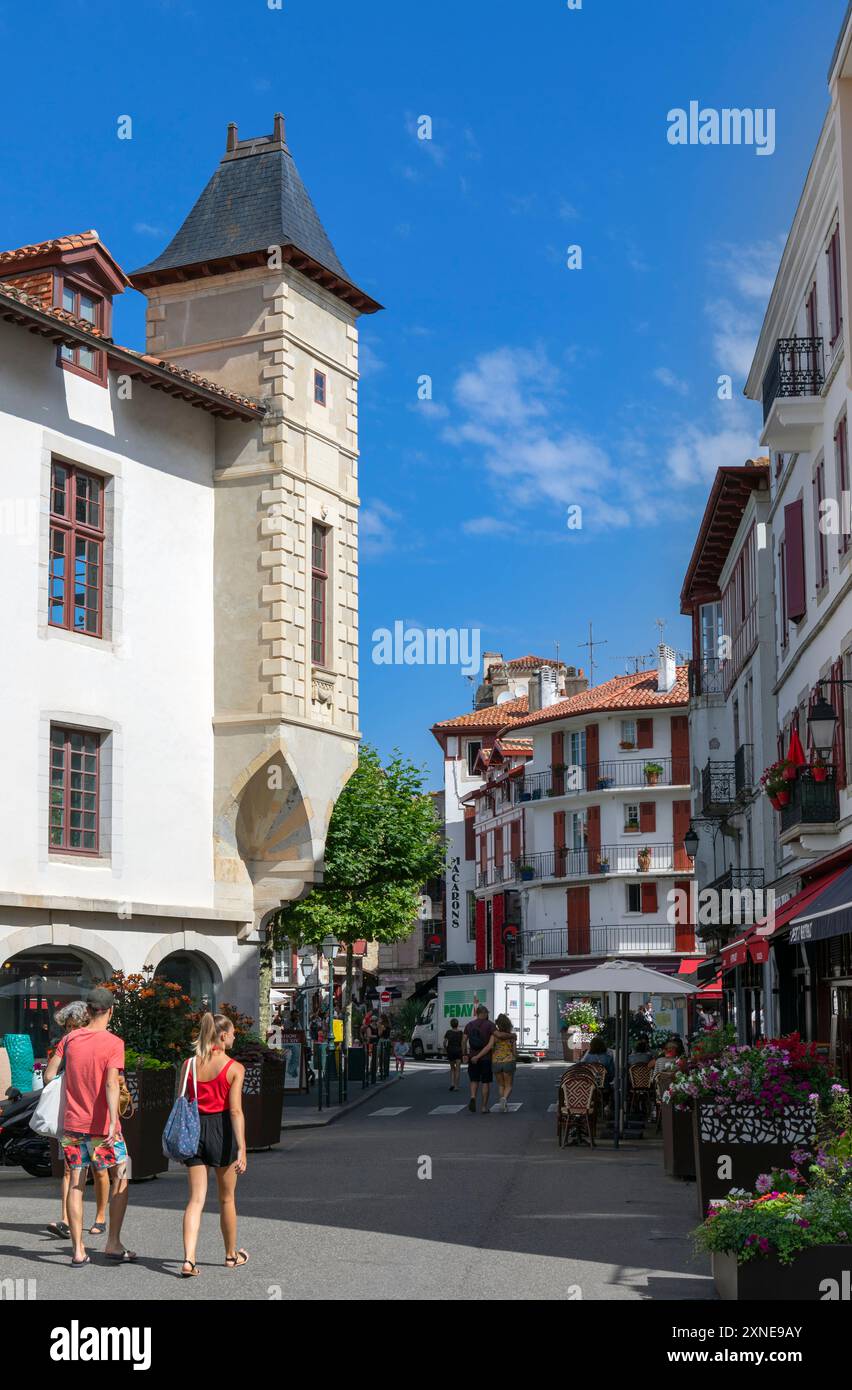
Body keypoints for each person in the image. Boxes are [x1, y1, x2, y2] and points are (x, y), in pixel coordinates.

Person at [42, 986, 132, 1267]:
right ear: (110, 1011)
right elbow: (110, 1084)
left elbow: (48, 1075)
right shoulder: (113, 1043)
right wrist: (114, 1122)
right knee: (121, 1174)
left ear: (88, 1010)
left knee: (76, 1183)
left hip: (72, 1126)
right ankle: (113, 1243)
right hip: (101, 1128)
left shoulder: (69, 1039)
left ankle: (78, 1250)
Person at [179, 1012, 247, 1278]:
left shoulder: (189, 1065)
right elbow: (235, 1112)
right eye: (232, 1032)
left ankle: (188, 1259)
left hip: (195, 1129)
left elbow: (183, 1100)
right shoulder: (234, 1068)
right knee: (226, 1198)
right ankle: (231, 1255)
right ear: (222, 1035)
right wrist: (242, 1148)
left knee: (195, 1199)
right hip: (222, 1131)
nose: (234, 1035)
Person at [45, 1001, 110, 1242]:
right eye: (67, 1027)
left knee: (96, 1169)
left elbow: (49, 1075)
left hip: (90, 1117)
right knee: (78, 1170)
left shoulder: (74, 1042)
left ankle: (98, 1217)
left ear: (84, 1021)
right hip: (87, 1115)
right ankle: (71, 1219)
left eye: (72, 1026)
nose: (69, 1031)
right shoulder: (101, 1040)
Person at [472, 1013, 517, 1112]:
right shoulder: (512, 1036)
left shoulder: (494, 1036)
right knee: (509, 1085)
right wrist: (515, 1056)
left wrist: (477, 1056)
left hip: (496, 1062)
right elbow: (514, 1052)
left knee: (501, 1085)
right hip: (508, 1061)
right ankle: (504, 1100)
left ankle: (503, 1104)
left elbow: (488, 1047)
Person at [463, 1005, 495, 1113]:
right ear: (485, 1013)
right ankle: (484, 1107)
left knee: (474, 1080)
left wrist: (465, 1054)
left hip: (472, 1057)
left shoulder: (469, 1025)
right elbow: (490, 1044)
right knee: (485, 1082)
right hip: (486, 1058)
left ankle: (473, 1096)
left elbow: (463, 1040)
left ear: (477, 1013)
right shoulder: (490, 1025)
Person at [443, 1017, 464, 1090]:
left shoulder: (448, 1032)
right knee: (458, 1069)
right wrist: (463, 1052)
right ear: (457, 1025)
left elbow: (444, 1043)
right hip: (458, 1051)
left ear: (451, 1025)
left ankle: (452, 1083)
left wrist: (446, 1049)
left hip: (451, 1051)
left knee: (452, 1068)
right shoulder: (461, 1033)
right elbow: (462, 1043)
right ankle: (456, 1086)